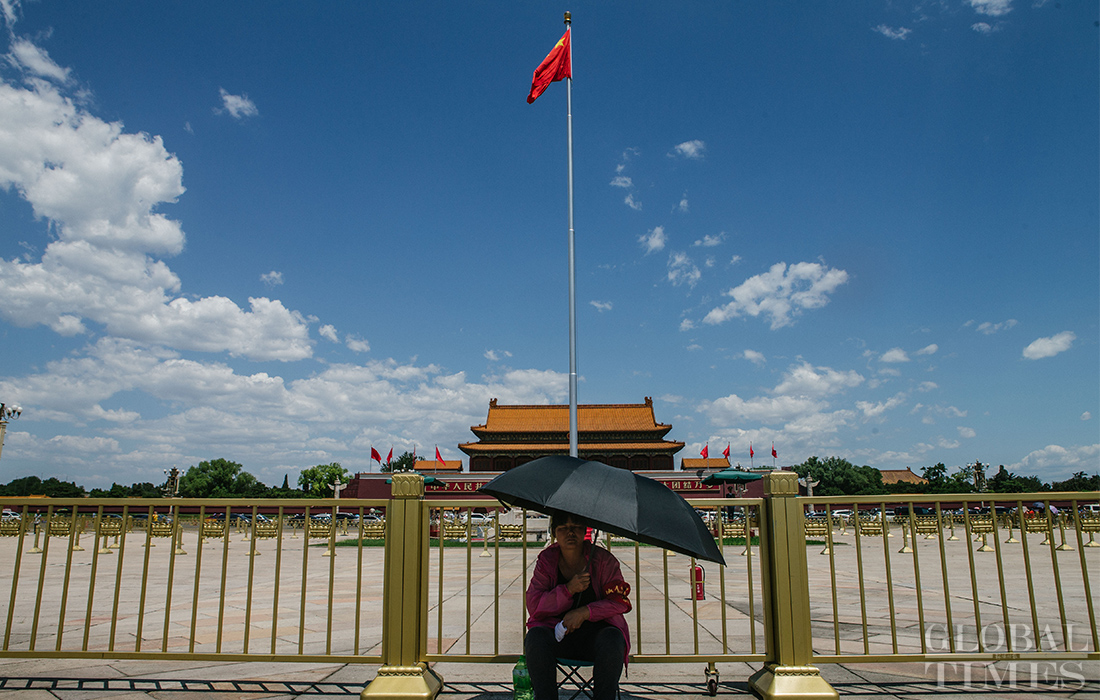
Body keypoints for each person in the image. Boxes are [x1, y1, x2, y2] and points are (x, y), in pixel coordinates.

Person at [524, 513, 630, 700]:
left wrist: (585, 612)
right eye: (563, 527)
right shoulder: (546, 560)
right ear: (554, 532)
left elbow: (618, 602)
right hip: (558, 635)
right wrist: (567, 590)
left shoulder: (604, 560)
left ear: (585, 530)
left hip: (596, 637)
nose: (570, 532)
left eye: (576, 527)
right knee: (535, 637)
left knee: (613, 638)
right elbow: (534, 604)